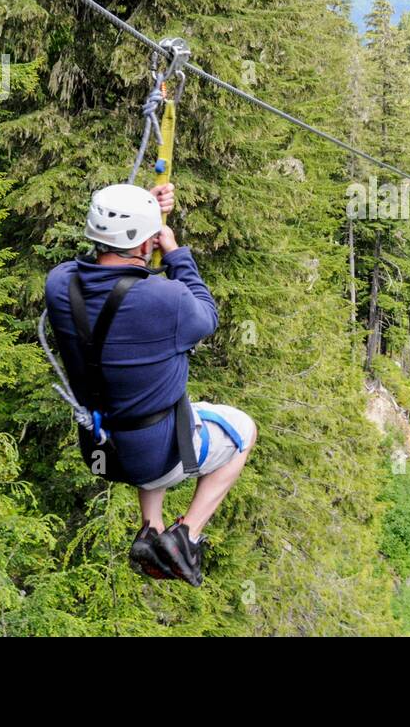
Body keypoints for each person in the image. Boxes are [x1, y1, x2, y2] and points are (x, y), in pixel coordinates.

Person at [43, 182, 256, 585]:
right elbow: (206, 314)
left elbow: (101, 268)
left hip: (101, 450)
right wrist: (174, 251)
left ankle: (151, 527)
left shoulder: (59, 284)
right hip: (156, 458)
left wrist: (145, 217)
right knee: (243, 430)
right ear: (146, 245)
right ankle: (186, 536)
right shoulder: (165, 300)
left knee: (146, 406)